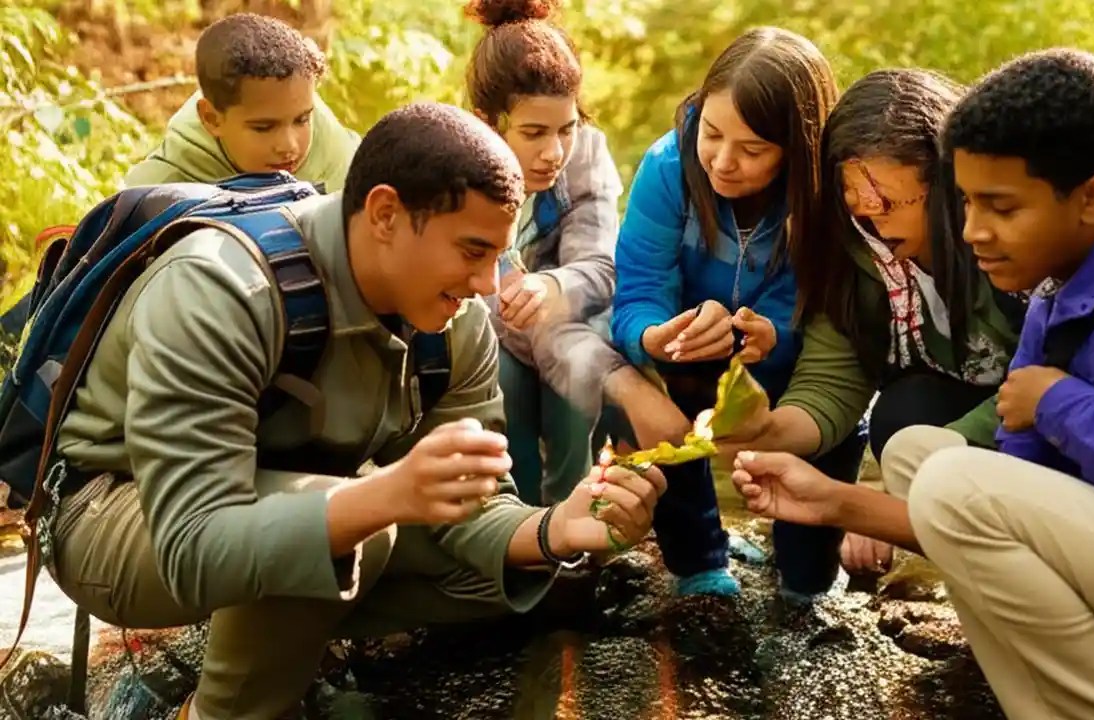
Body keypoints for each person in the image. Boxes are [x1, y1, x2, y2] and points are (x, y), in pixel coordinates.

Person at [46, 102, 665, 720]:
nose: (487, 285)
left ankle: (299, 648)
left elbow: (471, 505)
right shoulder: (220, 290)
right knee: (364, 530)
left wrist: (555, 529)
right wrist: (384, 498)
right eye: (472, 251)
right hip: (118, 512)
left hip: (276, 498)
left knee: (518, 580)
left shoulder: (456, 319)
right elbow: (191, 546)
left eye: (496, 257)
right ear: (386, 214)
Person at [731, 49, 1094, 719]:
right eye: (965, 204)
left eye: (998, 206)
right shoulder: (1054, 295)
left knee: (951, 477)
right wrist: (834, 503)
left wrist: (1061, 404)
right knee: (932, 461)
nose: (972, 232)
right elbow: (998, 515)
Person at [717, 69, 1024, 573]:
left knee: (911, 437)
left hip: (1041, 428)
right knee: (902, 412)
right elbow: (831, 378)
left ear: (948, 181)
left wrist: (886, 499)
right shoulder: (859, 253)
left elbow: (1052, 370)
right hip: (948, 431)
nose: (867, 215)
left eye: (885, 201)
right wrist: (766, 432)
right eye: (853, 199)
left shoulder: (1003, 241)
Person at [609, 27, 840, 600]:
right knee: (653, 392)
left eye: (754, 149)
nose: (724, 161)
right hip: (691, 356)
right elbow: (635, 293)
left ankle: (805, 571)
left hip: (786, 368)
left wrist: (771, 337)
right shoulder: (669, 169)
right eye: (712, 133)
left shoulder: (823, 191)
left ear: (796, 150)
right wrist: (656, 337)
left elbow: (826, 323)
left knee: (807, 579)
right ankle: (700, 563)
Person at [463, 0, 623, 503]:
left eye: (566, 129)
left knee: (579, 372)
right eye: (532, 133)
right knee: (501, 394)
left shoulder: (587, 157)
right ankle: (519, 524)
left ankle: (573, 514)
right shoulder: (454, 161)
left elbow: (600, 267)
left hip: (570, 323)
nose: (553, 151)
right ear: (487, 123)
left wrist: (552, 286)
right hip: (488, 331)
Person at [123, 12, 360, 191]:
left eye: (302, 120)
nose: (289, 146)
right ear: (211, 118)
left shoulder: (341, 159)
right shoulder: (161, 186)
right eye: (264, 127)